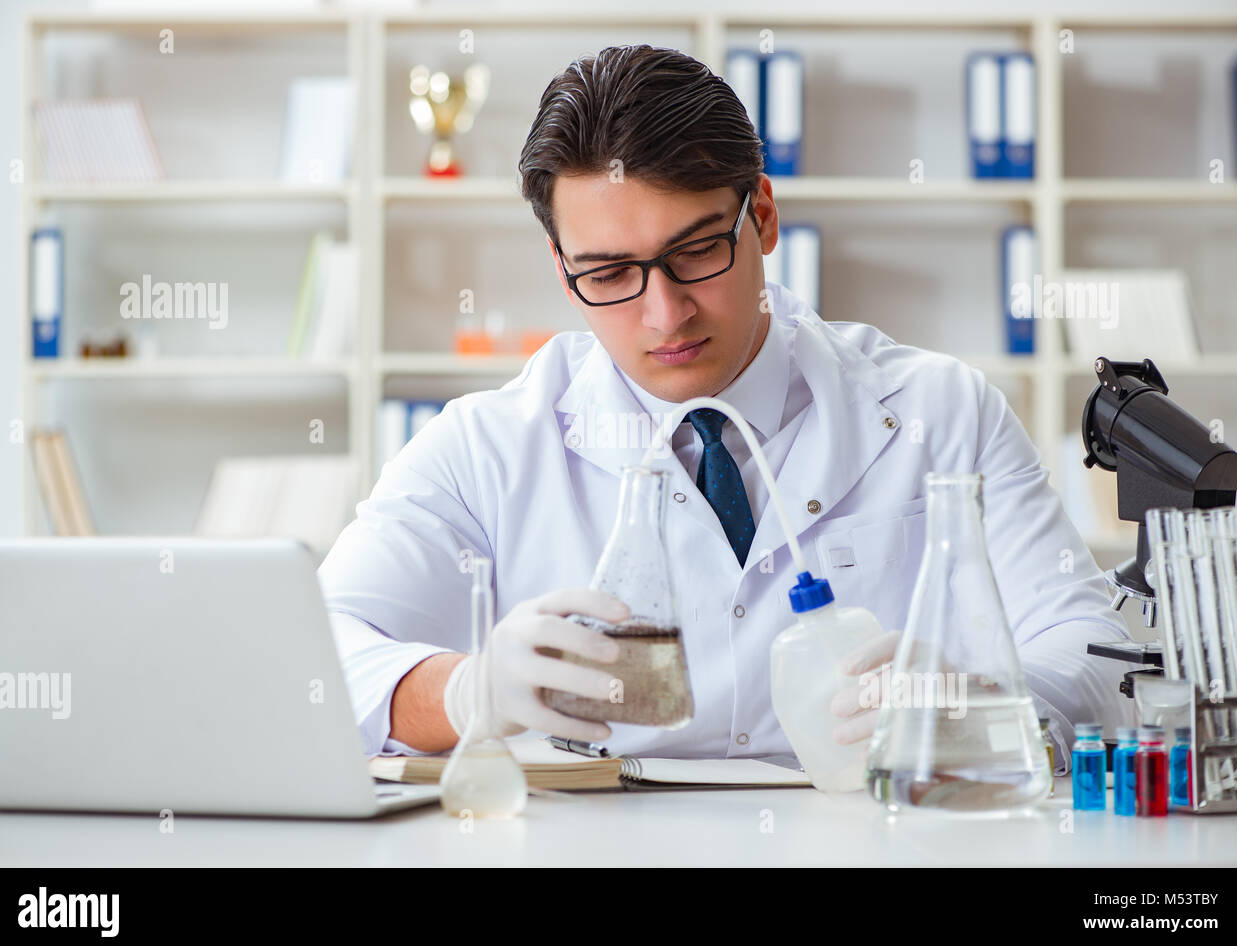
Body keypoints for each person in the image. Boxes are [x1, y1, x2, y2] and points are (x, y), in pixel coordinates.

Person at [317, 44, 1131, 770]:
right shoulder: (486, 447)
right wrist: (466, 691)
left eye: (697, 250)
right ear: (562, 270)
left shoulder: (940, 412)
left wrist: (982, 706)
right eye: (608, 274)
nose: (665, 314)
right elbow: (315, 660)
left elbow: (1093, 652)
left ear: (763, 217)